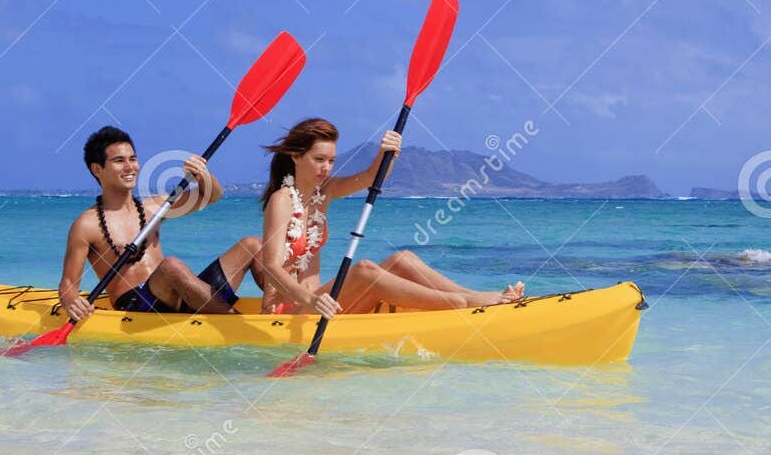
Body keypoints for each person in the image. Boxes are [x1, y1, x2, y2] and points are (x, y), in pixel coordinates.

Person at [257, 118, 524, 317]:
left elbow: (371, 177)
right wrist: (311, 300)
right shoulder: (281, 200)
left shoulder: (323, 192)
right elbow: (271, 266)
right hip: (289, 312)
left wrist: (389, 153)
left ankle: (472, 297)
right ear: (295, 155)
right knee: (363, 270)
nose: (326, 168)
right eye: (319, 159)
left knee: (402, 259)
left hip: (322, 302)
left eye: (331, 161)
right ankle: (465, 304)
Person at [58, 125, 269, 321]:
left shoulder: (154, 207)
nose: (130, 167)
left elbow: (211, 196)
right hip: (136, 308)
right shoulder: (86, 225)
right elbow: (68, 285)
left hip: (177, 296)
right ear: (97, 169)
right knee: (171, 266)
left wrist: (203, 175)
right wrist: (71, 301)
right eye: (119, 161)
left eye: (133, 158)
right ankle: (236, 321)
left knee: (252, 245)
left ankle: (275, 308)